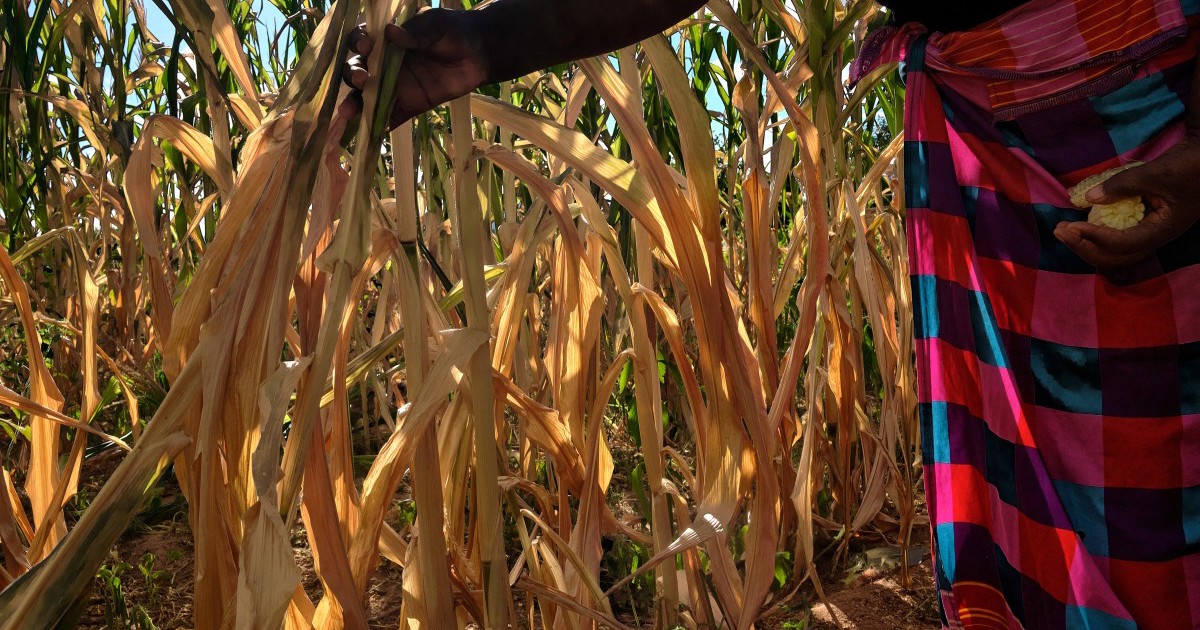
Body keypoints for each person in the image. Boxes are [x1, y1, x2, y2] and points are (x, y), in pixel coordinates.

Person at [346, 1, 1200, 627]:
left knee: (1162, 510)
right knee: (1030, 521)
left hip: (1147, 126)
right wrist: (493, 42)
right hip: (993, 149)